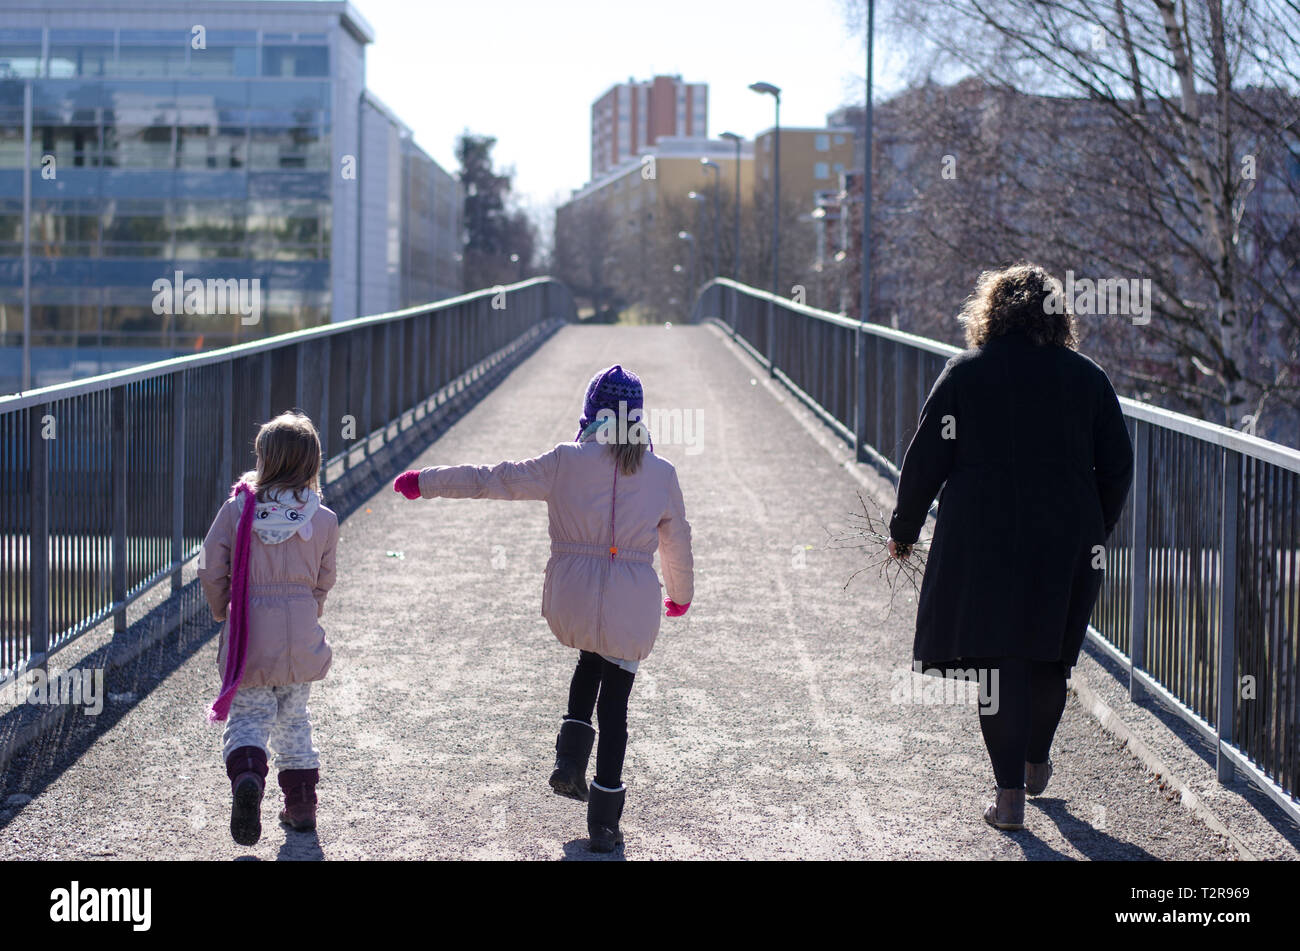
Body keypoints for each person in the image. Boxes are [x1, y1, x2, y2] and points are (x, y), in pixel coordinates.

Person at [393, 364, 694, 852]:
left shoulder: (565, 461)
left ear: (591, 412)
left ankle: (569, 762)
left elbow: (495, 479)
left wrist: (425, 481)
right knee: (615, 705)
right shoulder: (661, 474)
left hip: (570, 598)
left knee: (587, 658)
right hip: (631, 605)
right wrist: (680, 597)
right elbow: (676, 541)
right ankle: (603, 820)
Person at [887, 264, 1134, 831]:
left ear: (990, 313)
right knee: (1050, 653)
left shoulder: (967, 374)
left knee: (1000, 664)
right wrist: (1095, 526)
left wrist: (904, 529)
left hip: (984, 539)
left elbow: (927, 460)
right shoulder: (1087, 379)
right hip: (1067, 536)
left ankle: (1009, 798)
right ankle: (1037, 761)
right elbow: (1117, 465)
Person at [198, 410, 338, 847]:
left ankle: (248, 778)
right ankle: (300, 808)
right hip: (300, 638)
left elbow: (209, 566)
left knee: (248, 719)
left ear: (264, 459)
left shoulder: (238, 508)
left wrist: (224, 610)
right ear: (312, 462)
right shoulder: (323, 518)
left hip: (250, 639)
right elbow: (324, 579)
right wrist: (307, 611)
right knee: (296, 721)